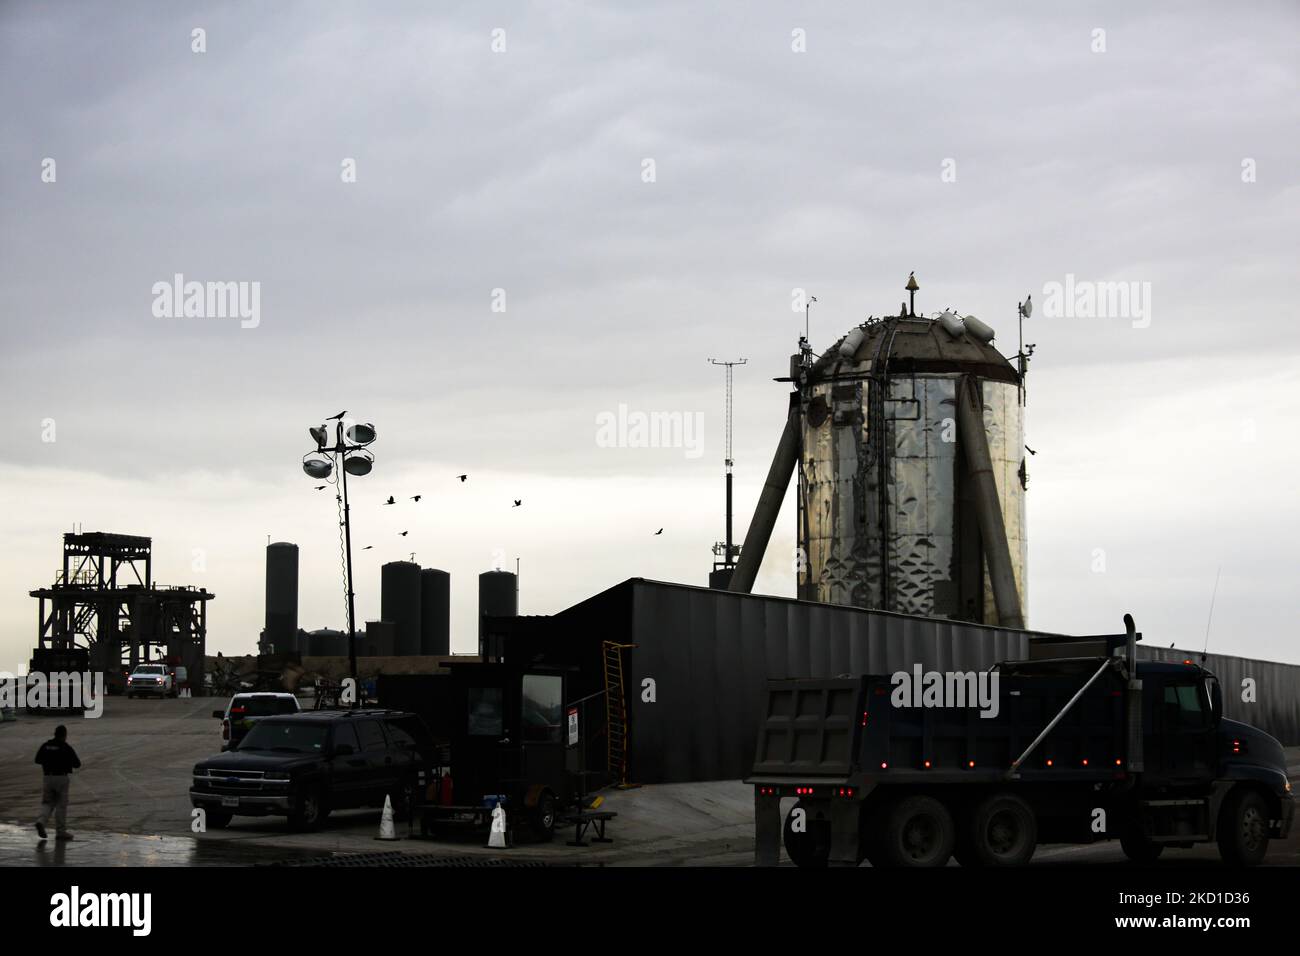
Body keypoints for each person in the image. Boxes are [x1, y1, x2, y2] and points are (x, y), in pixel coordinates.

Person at [35, 724, 81, 841]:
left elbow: (37, 760)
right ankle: (60, 832)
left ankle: (41, 821)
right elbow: (77, 764)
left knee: (47, 803)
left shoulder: (46, 746)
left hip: (47, 777)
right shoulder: (65, 747)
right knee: (61, 805)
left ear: (55, 734)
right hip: (61, 778)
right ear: (64, 735)